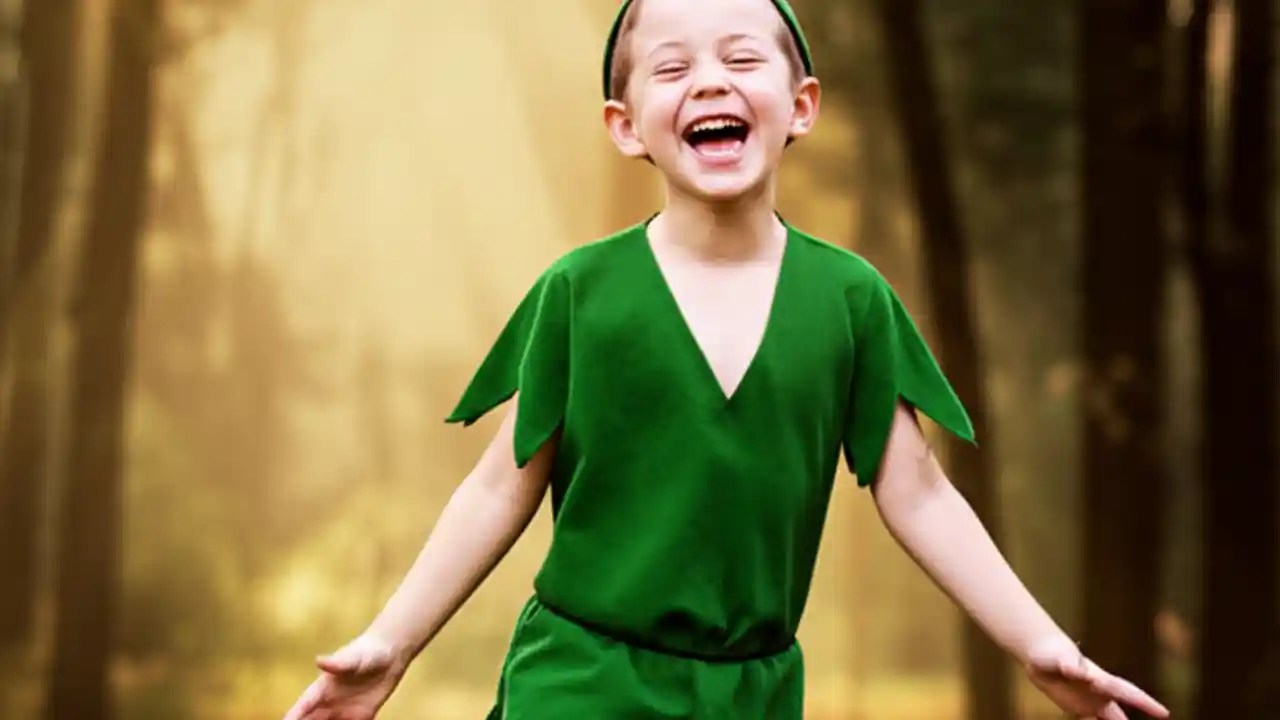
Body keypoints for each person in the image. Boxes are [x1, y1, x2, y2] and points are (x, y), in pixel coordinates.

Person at [283, 0, 1172, 718]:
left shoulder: (850, 301)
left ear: (802, 105)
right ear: (626, 125)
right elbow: (497, 484)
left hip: (753, 691)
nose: (710, 80)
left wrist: (1043, 647)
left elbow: (921, 491)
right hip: (582, 683)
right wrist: (390, 645)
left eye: (742, 59)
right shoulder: (581, 293)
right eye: (672, 68)